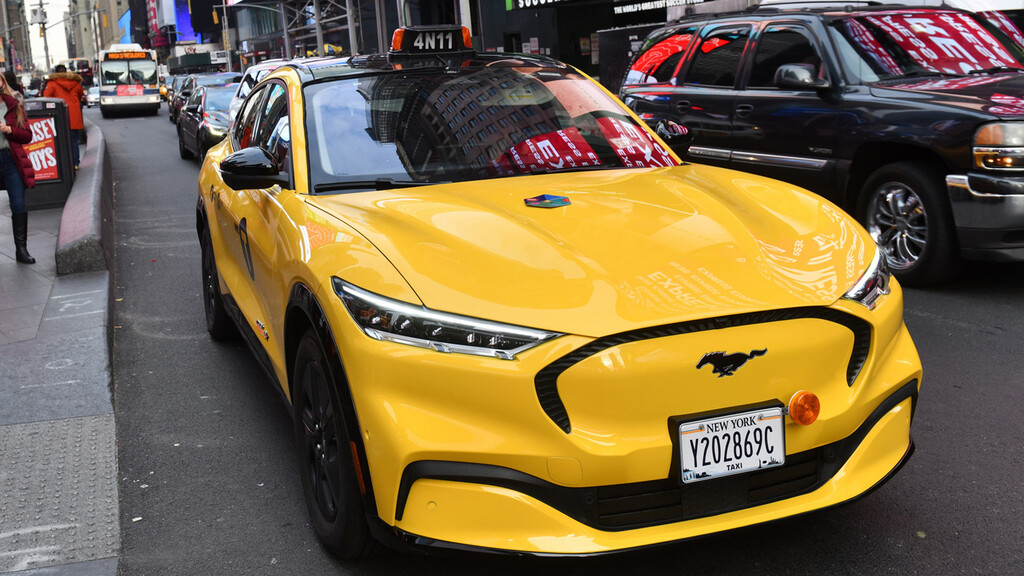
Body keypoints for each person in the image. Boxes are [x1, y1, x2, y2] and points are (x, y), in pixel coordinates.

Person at [1, 71, 37, 264]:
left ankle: (21, 250)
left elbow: (27, 135)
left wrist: (9, 130)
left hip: (10, 158)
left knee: (18, 204)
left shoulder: (13, 104)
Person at [43, 64, 85, 170]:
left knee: (60, 141)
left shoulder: (52, 84)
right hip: (74, 116)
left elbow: (46, 98)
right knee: (73, 140)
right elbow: (81, 95)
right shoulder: (75, 83)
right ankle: (75, 163)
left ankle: (64, 164)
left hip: (59, 116)